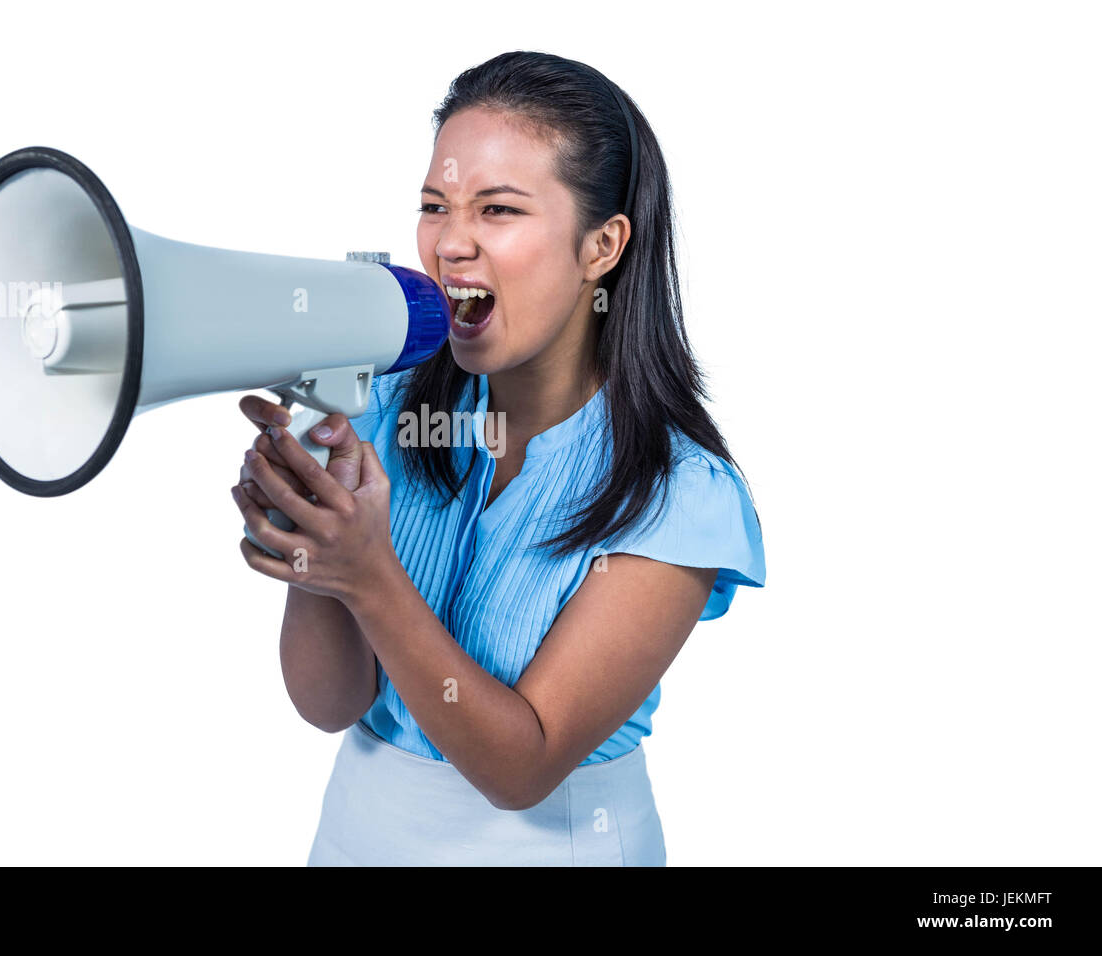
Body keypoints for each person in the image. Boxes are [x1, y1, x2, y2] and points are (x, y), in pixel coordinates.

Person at [230, 51, 766, 866]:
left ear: (602, 246)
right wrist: (319, 558)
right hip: (356, 837)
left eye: (499, 211)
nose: (450, 244)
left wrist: (370, 573)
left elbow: (521, 765)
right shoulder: (393, 405)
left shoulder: (680, 496)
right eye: (434, 205)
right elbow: (330, 702)